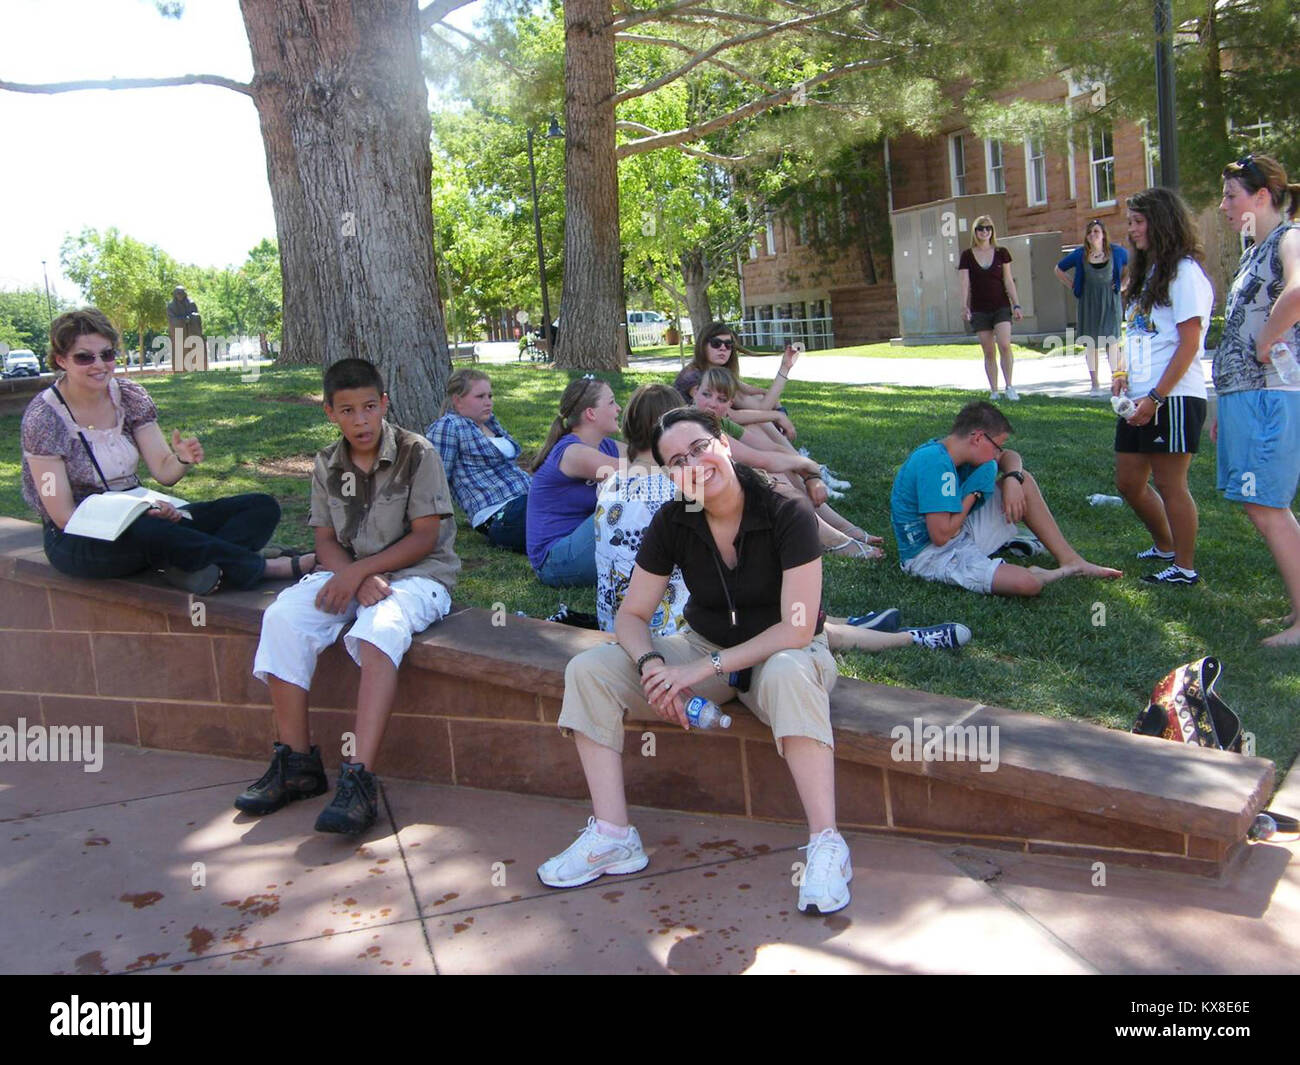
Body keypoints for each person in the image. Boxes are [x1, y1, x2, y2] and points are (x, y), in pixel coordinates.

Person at [538, 408, 853, 915]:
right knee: (589, 670)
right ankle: (615, 835)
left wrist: (703, 670)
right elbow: (632, 615)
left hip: (784, 653)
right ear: (668, 474)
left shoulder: (786, 512)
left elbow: (796, 627)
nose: (694, 465)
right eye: (677, 461)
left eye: (700, 447)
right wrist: (651, 669)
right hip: (704, 647)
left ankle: (826, 844)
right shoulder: (675, 520)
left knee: (791, 673)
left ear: (723, 443)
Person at [236, 358, 460, 835]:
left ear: (384, 404)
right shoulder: (325, 462)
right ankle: (297, 764)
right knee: (282, 617)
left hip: (419, 575)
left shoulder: (417, 454)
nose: (360, 421)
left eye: (368, 408)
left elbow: (424, 538)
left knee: (379, 630)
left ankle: (359, 779)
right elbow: (324, 542)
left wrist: (361, 573)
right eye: (347, 411)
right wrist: (354, 577)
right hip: (350, 573)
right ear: (330, 413)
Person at [598, 385, 971, 651]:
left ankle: (847, 622)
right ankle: (897, 636)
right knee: (788, 626)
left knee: (784, 615)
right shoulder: (685, 493)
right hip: (677, 630)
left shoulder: (612, 482)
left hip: (620, 623)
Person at [20, 307, 305, 596]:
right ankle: (263, 567)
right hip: (81, 538)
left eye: (107, 354)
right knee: (151, 531)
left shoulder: (128, 396)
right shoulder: (44, 419)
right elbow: (64, 516)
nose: (99, 365)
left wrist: (181, 458)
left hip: (144, 512)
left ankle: (188, 564)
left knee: (259, 506)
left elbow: (164, 472)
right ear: (61, 360)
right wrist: (139, 514)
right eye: (85, 357)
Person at [890, 401, 1122, 596]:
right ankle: (1060, 572)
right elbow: (941, 536)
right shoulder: (935, 463)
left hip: (958, 529)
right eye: (996, 446)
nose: (997, 454)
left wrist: (1012, 478)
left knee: (1024, 480)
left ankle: (1071, 560)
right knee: (1028, 583)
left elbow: (1010, 457)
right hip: (930, 554)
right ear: (978, 438)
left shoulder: (952, 451)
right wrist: (975, 493)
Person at [1211, 154, 1300, 644]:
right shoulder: (1253, 249)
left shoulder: (1289, 238)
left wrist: (1268, 340)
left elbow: (1298, 291)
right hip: (1246, 396)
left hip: (1271, 394)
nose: (1224, 205)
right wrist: (1225, 403)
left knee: (1268, 505)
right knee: (1259, 505)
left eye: (1231, 195)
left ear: (1261, 196)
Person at [1112, 186, 1214, 586]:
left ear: (1161, 223)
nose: (1132, 231)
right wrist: (1121, 374)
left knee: (1171, 483)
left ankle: (1184, 568)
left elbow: (1190, 343)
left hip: (1173, 397)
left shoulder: (1185, 273)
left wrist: (1156, 397)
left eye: (1138, 222)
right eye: (1131, 222)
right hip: (1137, 396)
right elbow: (1132, 333)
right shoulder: (1145, 274)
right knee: (1128, 481)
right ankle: (1164, 545)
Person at [690, 367, 881, 556]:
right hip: (693, 504)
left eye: (721, 399)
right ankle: (829, 537)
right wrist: (809, 469)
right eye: (706, 394)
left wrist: (807, 471)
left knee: (786, 468)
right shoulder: (696, 424)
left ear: (730, 404)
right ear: (695, 391)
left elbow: (770, 447)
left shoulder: (719, 421)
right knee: (772, 474)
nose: (712, 404)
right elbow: (760, 459)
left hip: (713, 492)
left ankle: (840, 527)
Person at [526, 376, 626, 587]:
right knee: (626, 500)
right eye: (611, 402)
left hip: (580, 548)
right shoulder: (573, 452)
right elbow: (638, 474)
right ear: (591, 413)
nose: (618, 408)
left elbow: (647, 458)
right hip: (555, 562)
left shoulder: (606, 445)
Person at [426, 369, 530, 553]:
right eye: (480, 396)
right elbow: (435, 479)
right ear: (458, 401)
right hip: (501, 513)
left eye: (490, 395)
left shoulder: (490, 423)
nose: (488, 402)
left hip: (526, 500)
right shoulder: (450, 426)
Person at [672, 321, 799, 438]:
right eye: (716, 343)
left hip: (709, 428)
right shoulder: (693, 376)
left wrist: (785, 367)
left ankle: (792, 457)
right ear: (703, 345)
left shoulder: (720, 373)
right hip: (688, 435)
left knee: (758, 405)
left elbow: (758, 400)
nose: (723, 348)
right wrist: (777, 415)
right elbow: (732, 416)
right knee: (755, 424)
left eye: (728, 345)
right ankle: (791, 458)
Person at [1055, 219, 1129, 394]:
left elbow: (1132, 266)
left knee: (1112, 341)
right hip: (1088, 302)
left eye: (1096, 231)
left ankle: (1117, 381)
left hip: (1110, 302)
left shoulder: (1116, 252)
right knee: (1091, 343)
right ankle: (1095, 384)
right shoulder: (1080, 254)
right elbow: (1058, 269)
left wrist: (1123, 286)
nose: (1092, 235)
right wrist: (1073, 285)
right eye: (1089, 232)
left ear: (1103, 235)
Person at [959, 215, 1024, 401]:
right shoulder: (967, 256)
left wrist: (1016, 304)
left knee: (1004, 344)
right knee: (988, 350)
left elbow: (1008, 280)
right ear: (975, 231)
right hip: (979, 308)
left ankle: (1009, 386)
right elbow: (964, 283)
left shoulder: (1002, 252)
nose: (984, 231)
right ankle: (994, 390)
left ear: (992, 230)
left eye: (988, 228)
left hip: (1001, 306)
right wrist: (964, 306)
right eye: (980, 228)